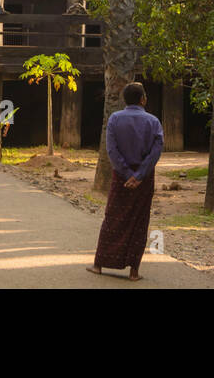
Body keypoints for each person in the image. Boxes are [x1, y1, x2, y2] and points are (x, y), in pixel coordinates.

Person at [89, 82, 163, 282]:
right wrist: (139, 175)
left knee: (113, 217)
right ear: (143, 99)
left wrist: (126, 172)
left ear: (124, 99)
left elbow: (111, 150)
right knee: (139, 221)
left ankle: (98, 265)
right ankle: (133, 272)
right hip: (144, 180)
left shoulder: (114, 119)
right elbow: (156, 151)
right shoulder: (153, 122)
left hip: (120, 178)